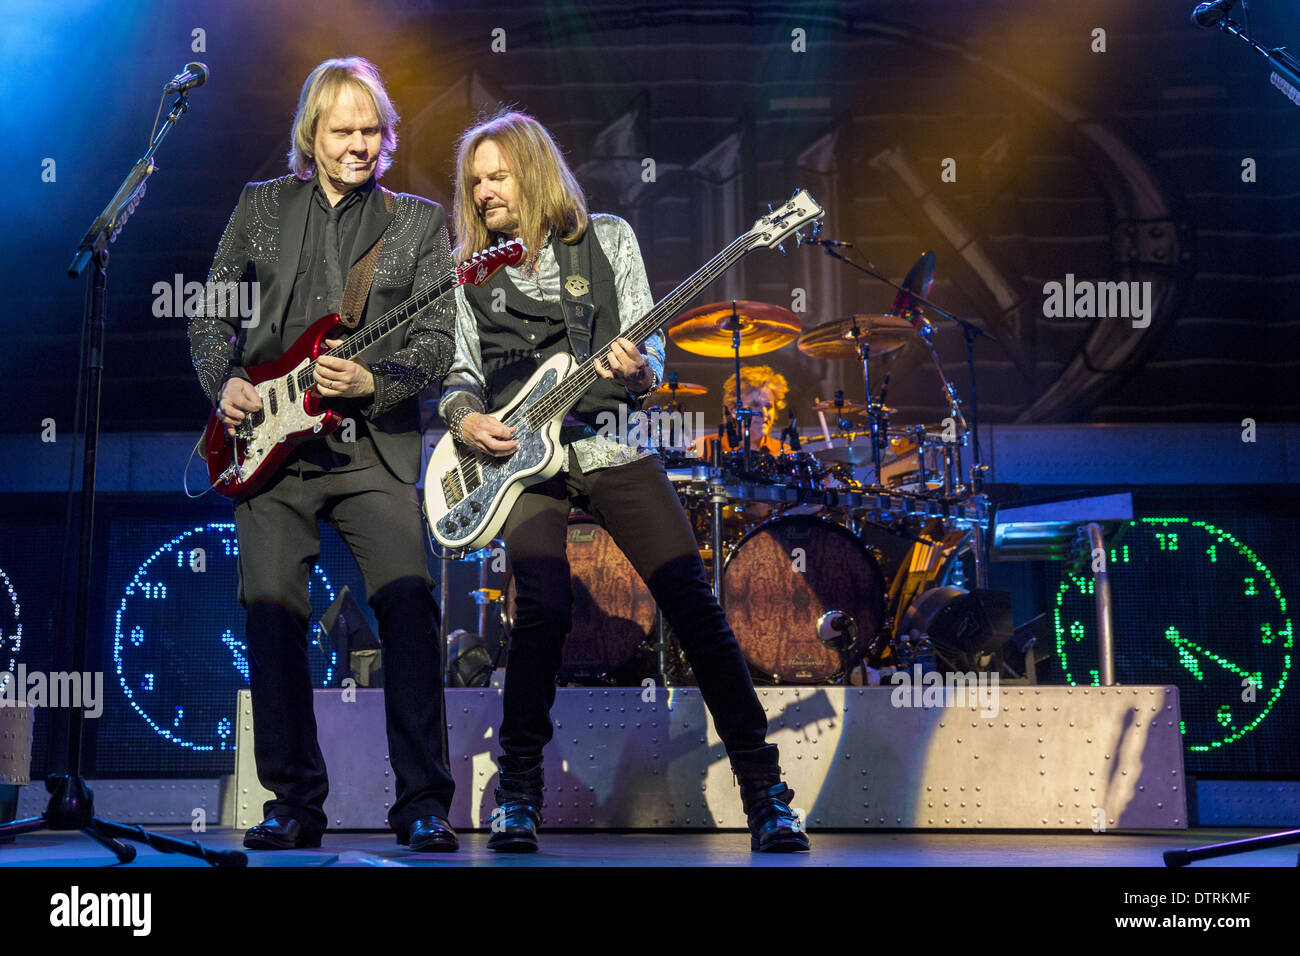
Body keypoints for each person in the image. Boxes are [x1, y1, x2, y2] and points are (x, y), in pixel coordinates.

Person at [439, 109, 809, 853]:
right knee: (540, 611)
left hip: (610, 444)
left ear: (534, 171)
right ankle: (518, 797)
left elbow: (652, 343)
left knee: (693, 603)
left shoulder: (604, 238)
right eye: (474, 181)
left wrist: (642, 369)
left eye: (497, 175)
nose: (482, 192)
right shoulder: (467, 273)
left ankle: (765, 792)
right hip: (520, 465)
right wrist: (464, 419)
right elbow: (459, 373)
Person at [187, 57, 459, 852]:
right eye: (343, 131)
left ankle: (421, 803)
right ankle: (293, 803)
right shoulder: (261, 206)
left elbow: (440, 344)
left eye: (372, 130)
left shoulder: (414, 222)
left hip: (370, 448)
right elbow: (211, 314)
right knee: (272, 618)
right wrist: (226, 381)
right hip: (269, 450)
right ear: (312, 133)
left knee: (408, 607)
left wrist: (376, 376)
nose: (359, 144)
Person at [691, 365, 791, 459]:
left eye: (769, 406)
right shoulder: (703, 447)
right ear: (734, 410)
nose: (764, 413)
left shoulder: (785, 452)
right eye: (755, 405)